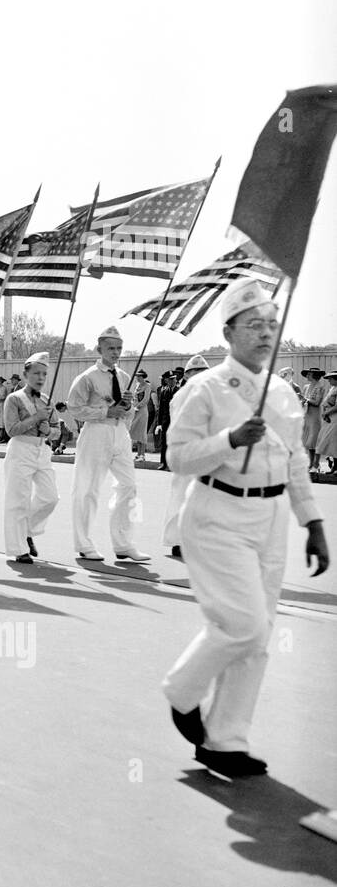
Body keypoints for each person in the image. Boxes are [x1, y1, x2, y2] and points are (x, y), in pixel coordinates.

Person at [162, 278, 328, 779]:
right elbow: (177, 457)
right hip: (219, 515)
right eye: (253, 324)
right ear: (228, 332)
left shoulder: (282, 391)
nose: (264, 333)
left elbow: (296, 460)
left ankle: (225, 740)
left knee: (259, 638)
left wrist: (313, 521)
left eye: (271, 325)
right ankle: (182, 689)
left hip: (271, 517)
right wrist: (230, 439)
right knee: (243, 624)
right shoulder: (204, 388)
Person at [67, 326, 147, 562]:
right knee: (87, 489)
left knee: (129, 486)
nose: (115, 352)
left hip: (119, 433)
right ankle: (83, 543)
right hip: (96, 433)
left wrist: (127, 407)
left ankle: (124, 543)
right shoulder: (87, 377)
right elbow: (75, 407)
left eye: (119, 348)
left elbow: (127, 412)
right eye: (111, 348)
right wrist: (106, 410)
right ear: (99, 348)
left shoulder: (124, 377)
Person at [2, 352, 59, 563]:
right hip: (20, 449)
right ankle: (18, 549)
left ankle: (27, 531)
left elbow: (58, 431)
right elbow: (12, 429)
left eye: (44, 374)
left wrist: (48, 431)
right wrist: (36, 418)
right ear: (26, 374)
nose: (41, 378)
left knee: (50, 497)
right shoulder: (14, 399)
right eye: (36, 373)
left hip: (42, 450)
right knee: (18, 499)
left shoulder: (47, 400)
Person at [160, 355, 210, 558]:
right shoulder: (181, 396)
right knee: (181, 496)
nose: (199, 376)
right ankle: (178, 541)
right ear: (187, 375)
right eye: (195, 373)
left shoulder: (212, 394)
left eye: (203, 372)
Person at [300, 367, 324, 471]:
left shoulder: (320, 387)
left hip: (314, 416)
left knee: (314, 440)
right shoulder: (306, 387)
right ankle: (310, 464)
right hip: (307, 415)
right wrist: (302, 401)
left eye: (309, 374)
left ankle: (316, 464)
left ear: (314, 375)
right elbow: (304, 400)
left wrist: (306, 400)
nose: (307, 376)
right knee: (308, 442)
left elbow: (317, 402)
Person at [316, 372, 337, 474]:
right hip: (329, 417)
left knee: (334, 442)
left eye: (331, 379)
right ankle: (334, 466)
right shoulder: (332, 388)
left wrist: (326, 413)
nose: (329, 381)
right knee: (331, 443)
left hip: (335, 417)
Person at [130, 370, 152, 463]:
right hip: (135, 412)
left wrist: (138, 406)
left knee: (142, 433)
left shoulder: (147, 386)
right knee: (135, 432)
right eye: (137, 376)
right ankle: (138, 454)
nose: (137, 378)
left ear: (143, 377)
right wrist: (133, 406)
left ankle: (142, 454)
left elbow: (146, 399)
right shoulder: (137, 386)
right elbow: (134, 397)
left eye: (139, 376)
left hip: (142, 411)